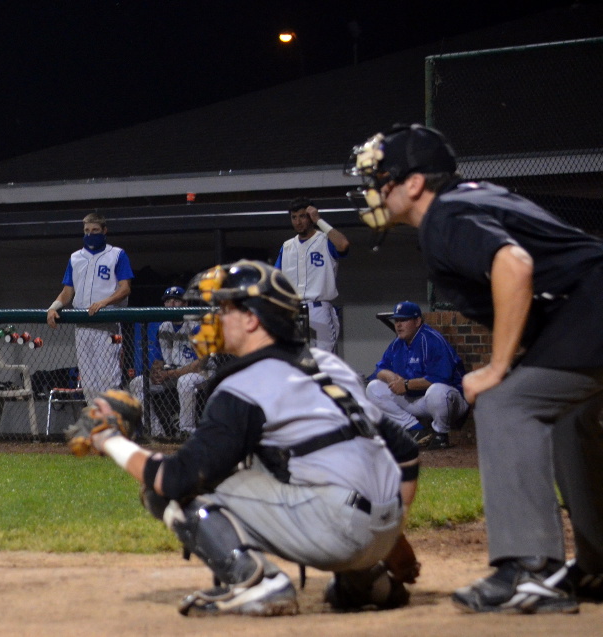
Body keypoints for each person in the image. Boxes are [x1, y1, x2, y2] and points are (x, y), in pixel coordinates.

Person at [348, 123, 603, 613]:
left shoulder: (444, 215)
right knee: (570, 420)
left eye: (382, 179)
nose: (374, 191)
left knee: (506, 403)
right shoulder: (470, 198)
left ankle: (529, 569)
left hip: (590, 306)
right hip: (585, 307)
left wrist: (498, 366)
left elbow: (514, 265)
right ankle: (597, 564)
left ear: (414, 183)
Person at [73, 260, 421, 617]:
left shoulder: (245, 383)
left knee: (168, 491)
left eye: (224, 309)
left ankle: (257, 583)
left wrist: (108, 439)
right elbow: (406, 451)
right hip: (384, 529)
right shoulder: (329, 364)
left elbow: (176, 478)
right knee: (267, 462)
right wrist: (392, 534)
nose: (212, 318)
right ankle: (367, 582)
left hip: (335, 530)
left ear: (253, 320)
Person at [46, 213, 133, 401]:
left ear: (104, 231)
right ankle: (95, 418)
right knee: (88, 382)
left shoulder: (117, 254)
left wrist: (104, 302)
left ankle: (112, 418)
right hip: (82, 326)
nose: (90, 234)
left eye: (95, 230)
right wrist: (53, 307)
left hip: (108, 324)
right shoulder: (75, 257)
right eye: (87, 230)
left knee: (109, 380)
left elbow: (125, 288)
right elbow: (67, 292)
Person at [366, 300, 468, 450]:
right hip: (419, 399)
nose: (398, 325)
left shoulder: (432, 340)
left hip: (452, 401)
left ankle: (441, 435)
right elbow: (380, 369)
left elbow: (441, 378)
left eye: (404, 320)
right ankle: (415, 430)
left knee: (437, 391)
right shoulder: (397, 343)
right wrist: (391, 377)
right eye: (396, 320)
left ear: (417, 321)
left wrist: (406, 385)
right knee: (373, 388)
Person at [128, 286, 208, 438]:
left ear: (185, 304)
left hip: (203, 373)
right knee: (137, 383)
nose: (171, 304)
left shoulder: (196, 326)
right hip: (173, 373)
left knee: (185, 381)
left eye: (176, 300)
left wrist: (169, 374)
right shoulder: (164, 326)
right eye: (168, 301)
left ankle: (187, 430)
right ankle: (156, 432)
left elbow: (200, 364)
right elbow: (158, 359)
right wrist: (156, 372)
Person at [274, 198, 349, 352]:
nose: (298, 222)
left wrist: (319, 220)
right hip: (293, 310)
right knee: (295, 359)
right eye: (294, 217)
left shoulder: (325, 240)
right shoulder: (287, 246)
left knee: (323, 360)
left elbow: (343, 245)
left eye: (302, 216)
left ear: (311, 217)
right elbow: (275, 278)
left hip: (318, 308)